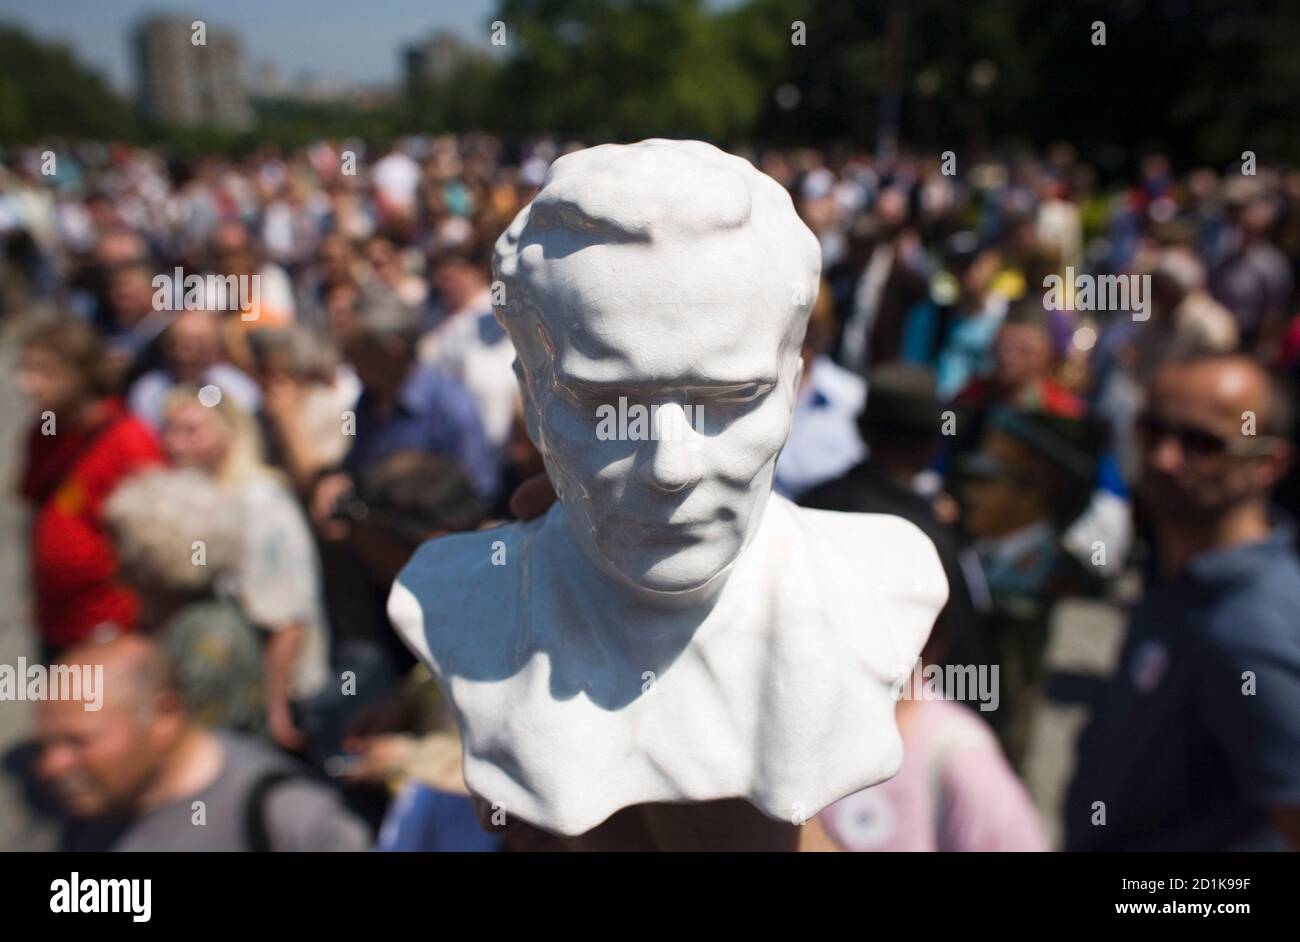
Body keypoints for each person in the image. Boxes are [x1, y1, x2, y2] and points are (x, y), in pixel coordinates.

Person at [1066, 354, 1300, 850]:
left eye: (1202, 444)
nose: (1163, 458)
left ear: (1268, 464)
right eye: (1153, 429)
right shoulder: (1183, 584)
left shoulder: (1248, 631)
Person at [34, 634, 371, 852]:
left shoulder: (287, 818)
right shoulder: (93, 816)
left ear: (164, 715)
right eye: (46, 745)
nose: (51, 766)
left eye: (78, 742)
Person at [162, 387, 330, 752]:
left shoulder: (260, 501)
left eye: (191, 431)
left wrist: (277, 710)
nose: (174, 443)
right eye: (169, 430)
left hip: (275, 691)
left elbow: (288, 618)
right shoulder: (207, 496)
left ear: (229, 431)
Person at [17, 321, 163, 657]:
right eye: (26, 370)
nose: (29, 384)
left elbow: (155, 544)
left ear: (80, 373)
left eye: (44, 372)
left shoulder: (129, 440)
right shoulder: (46, 432)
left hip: (110, 624)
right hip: (55, 622)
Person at [103, 468, 264, 733]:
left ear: (154, 558)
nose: (115, 561)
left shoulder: (211, 637)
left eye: (122, 546)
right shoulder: (169, 617)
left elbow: (191, 737)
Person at [127, 307, 261, 430]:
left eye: (199, 346)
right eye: (180, 344)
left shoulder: (238, 390)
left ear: (216, 349)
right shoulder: (148, 392)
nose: (186, 355)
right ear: (166, 347)